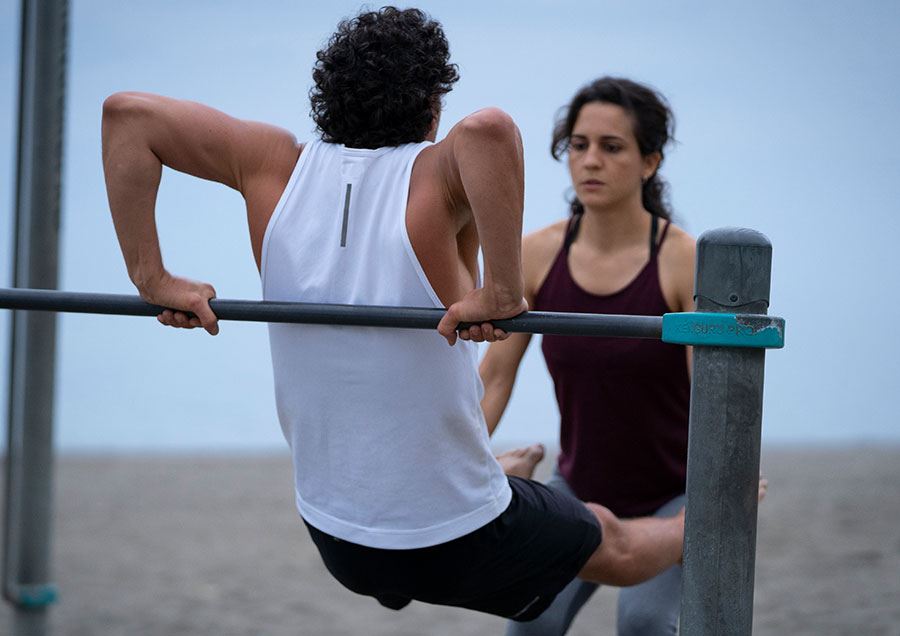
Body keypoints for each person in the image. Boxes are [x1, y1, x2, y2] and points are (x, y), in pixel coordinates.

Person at [101, 8, 684, 622]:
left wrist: (152, 277)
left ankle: (496, 471)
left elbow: (127, 117)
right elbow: (490, 130)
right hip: (455, 539)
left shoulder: (272, 165)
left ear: (330, 92)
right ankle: (714, 517)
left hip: (340, 539)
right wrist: (504, 293)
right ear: (431, 104)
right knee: (615, 546)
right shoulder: (431, 178)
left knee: (452, 524)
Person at [481, 77, 695, 635]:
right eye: (579, 145)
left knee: (645, 624)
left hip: (674, 497)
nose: (591, 161)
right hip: (577, 490)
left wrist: (731, 484)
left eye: (612, 146)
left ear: (649, 162)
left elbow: (716, 398)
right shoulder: (537, 254)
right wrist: (455, 465)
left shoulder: (681, 261)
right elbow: (494, 380)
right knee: (530, 621)